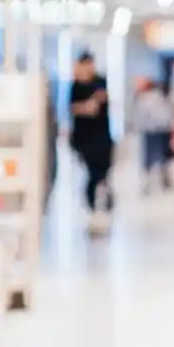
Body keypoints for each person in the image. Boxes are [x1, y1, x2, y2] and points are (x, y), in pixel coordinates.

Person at [69, 52, 113, 230]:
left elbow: (102, 103)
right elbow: (73, 108)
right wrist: (86, 107)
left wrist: (90, 105)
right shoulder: (76, 85)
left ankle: (104, 205)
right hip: (84, 137)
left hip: (101, 135)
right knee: (92, 173)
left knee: (103, 172)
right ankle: (92, 206)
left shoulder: (100, 81)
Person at [133, 77, 174, 193]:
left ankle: (157, 179)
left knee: (155, 156)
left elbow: (142, 116)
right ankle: (159, 179)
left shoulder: (149, 98)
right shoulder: (158, 96)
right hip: (157, 129)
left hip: (156, 130)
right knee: (158, 156)